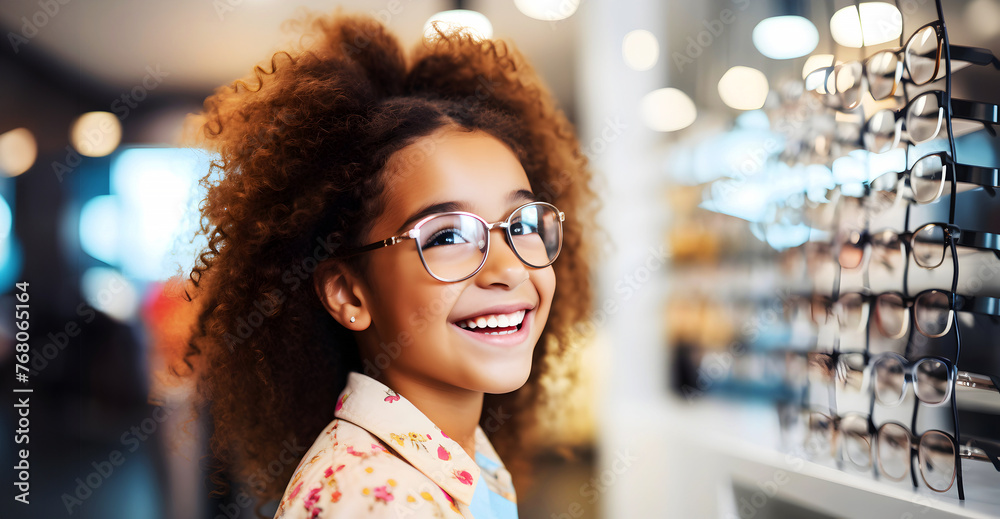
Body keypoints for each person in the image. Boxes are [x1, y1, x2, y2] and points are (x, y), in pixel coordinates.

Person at [176, 10, 595, 518]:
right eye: (448, 235)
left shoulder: (456, 460)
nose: (508, 268)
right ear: (349, 294)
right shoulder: (374, 500)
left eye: (523, 224)